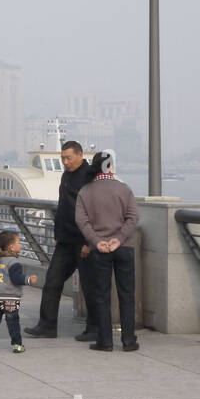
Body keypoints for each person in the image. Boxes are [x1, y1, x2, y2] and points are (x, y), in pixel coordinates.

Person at [24, 140, 102, 342]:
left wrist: (89, 242)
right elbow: (64, 207)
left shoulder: (89, 176)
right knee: (52, 281)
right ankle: (47, 325)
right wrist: (58, 235)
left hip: (83, 241)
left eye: (68, 158)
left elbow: (94, 210)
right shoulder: (66, 175)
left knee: (89, 286)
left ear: (80, 155)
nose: (65, 162)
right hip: (65, 241)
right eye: (63, 158)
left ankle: (94, 328)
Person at [74, 149, 140, 353]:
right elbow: (133, 218)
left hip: (99, 250)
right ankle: (128, 341)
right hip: (123, 248)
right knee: (127, 295)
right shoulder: (124, 189)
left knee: (102, 295)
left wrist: (96, 241)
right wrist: (119, 239)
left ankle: (105, 341)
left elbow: (81, 221)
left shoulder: (85, 191)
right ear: (110, 166)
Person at [0, 230, 34, 354]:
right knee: (12, 320)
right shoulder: (14, 263)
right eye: (19, 243)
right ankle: (17, 344)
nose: (21, 245)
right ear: (12, 247)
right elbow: (16, 278)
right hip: (10, 297)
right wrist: (29, 279)